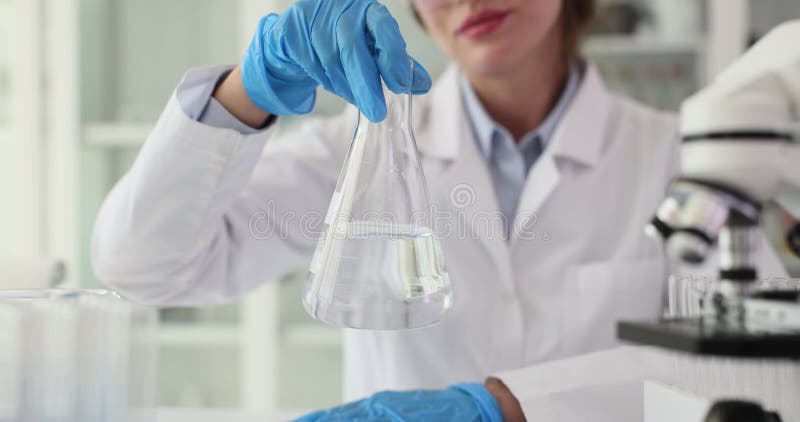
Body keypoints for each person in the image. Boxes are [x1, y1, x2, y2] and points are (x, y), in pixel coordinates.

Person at [91, 0, 785, 420]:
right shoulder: (346, 151)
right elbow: (145, 267)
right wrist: (249, 88)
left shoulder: (686, 161)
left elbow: (760, 371)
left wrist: (505, 408)